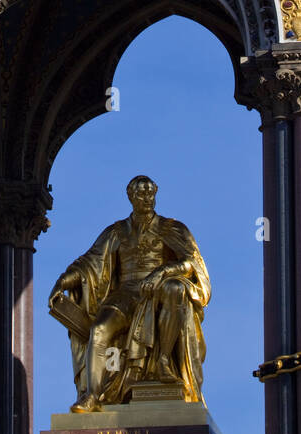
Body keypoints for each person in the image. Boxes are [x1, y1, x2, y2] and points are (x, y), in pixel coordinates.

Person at [48, 175, 210, 412]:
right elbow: (89, 263)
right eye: (141, 193)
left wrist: (163, 272)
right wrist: (62, 281)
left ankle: (163, 361)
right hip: (124, 295)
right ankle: (93, 395)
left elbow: (192, 263)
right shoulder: (116, 231)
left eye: (150, 193)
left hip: (157, 295)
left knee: (175, 289)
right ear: (130, 197)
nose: (147, 198)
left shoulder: (172, 228)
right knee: (100, 329)